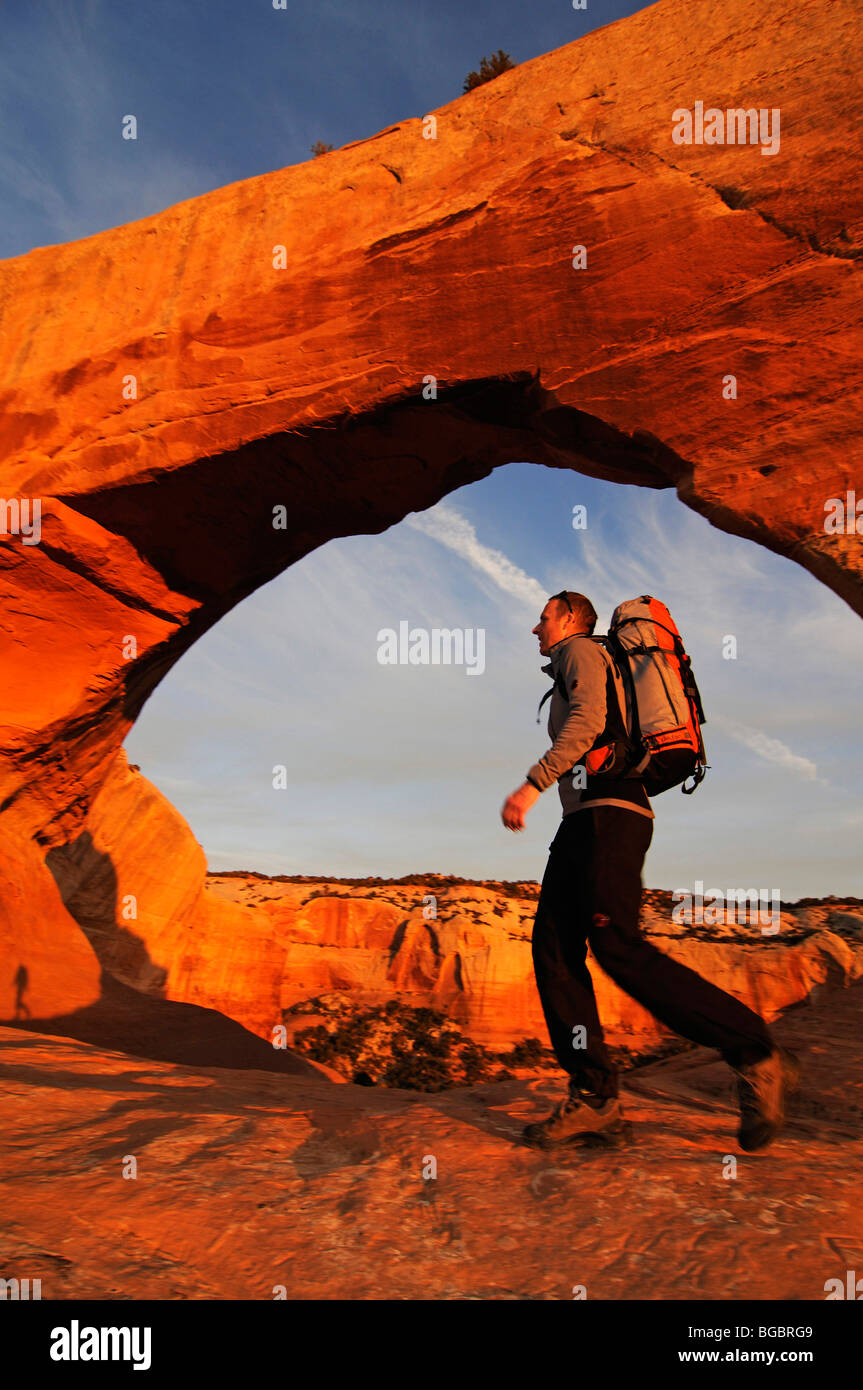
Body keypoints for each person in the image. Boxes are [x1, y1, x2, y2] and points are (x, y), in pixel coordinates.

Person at [500, 590, 800, 1152]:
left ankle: (756, 1052)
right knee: (554, 950)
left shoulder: (579, 652)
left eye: (542, 618)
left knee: (617, 945)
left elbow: (589, 719)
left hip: (613, 814)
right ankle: (596, 1098)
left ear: (569, 619)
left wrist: (531, 785)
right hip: (585, 819)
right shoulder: (577, 659)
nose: (534, 628)